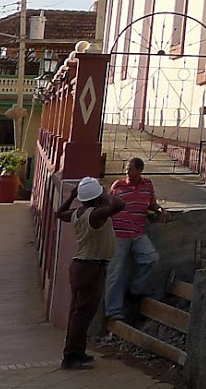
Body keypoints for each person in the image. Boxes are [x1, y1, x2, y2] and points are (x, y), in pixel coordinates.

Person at [56, 176, 127, 370]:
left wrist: (72, 197)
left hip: (80, 266)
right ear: (96, 197)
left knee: (77, 312)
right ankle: (71, 357)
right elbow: (119, 204)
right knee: (83, 314)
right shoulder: (96, 215)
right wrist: (104, 194)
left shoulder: (78, 213)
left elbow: (59, 213)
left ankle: (76, 352)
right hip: (90, 268)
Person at [106, 157, 163, 321]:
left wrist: (160, 210)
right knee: (116, 272)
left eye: (130, 168)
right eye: (126, 168)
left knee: (152, 258)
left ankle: (136, 289)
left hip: (138, 232)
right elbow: (109, 206)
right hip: (119, 233)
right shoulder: (118, 186)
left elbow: (152, 204)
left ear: (139, 170)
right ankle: (113, 310)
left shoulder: (147, 185)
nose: (127, 171)